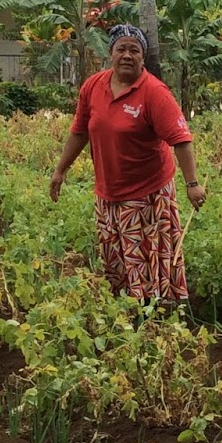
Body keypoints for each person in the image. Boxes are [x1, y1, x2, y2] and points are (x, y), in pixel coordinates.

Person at [49, 24, 206, 301]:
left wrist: (192, 184)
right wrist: (60, 170)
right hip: (108, 194)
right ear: (110, 53)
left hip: (146, 195)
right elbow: (80, 131)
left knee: (143, 260)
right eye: (121, 48)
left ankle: (148, 317)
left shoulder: (154, 93)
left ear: (142, 57)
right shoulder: (93, 87)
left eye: (134, 50)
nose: (127, 55)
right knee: (114, 259)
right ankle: (123, 310)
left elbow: (181, 139)